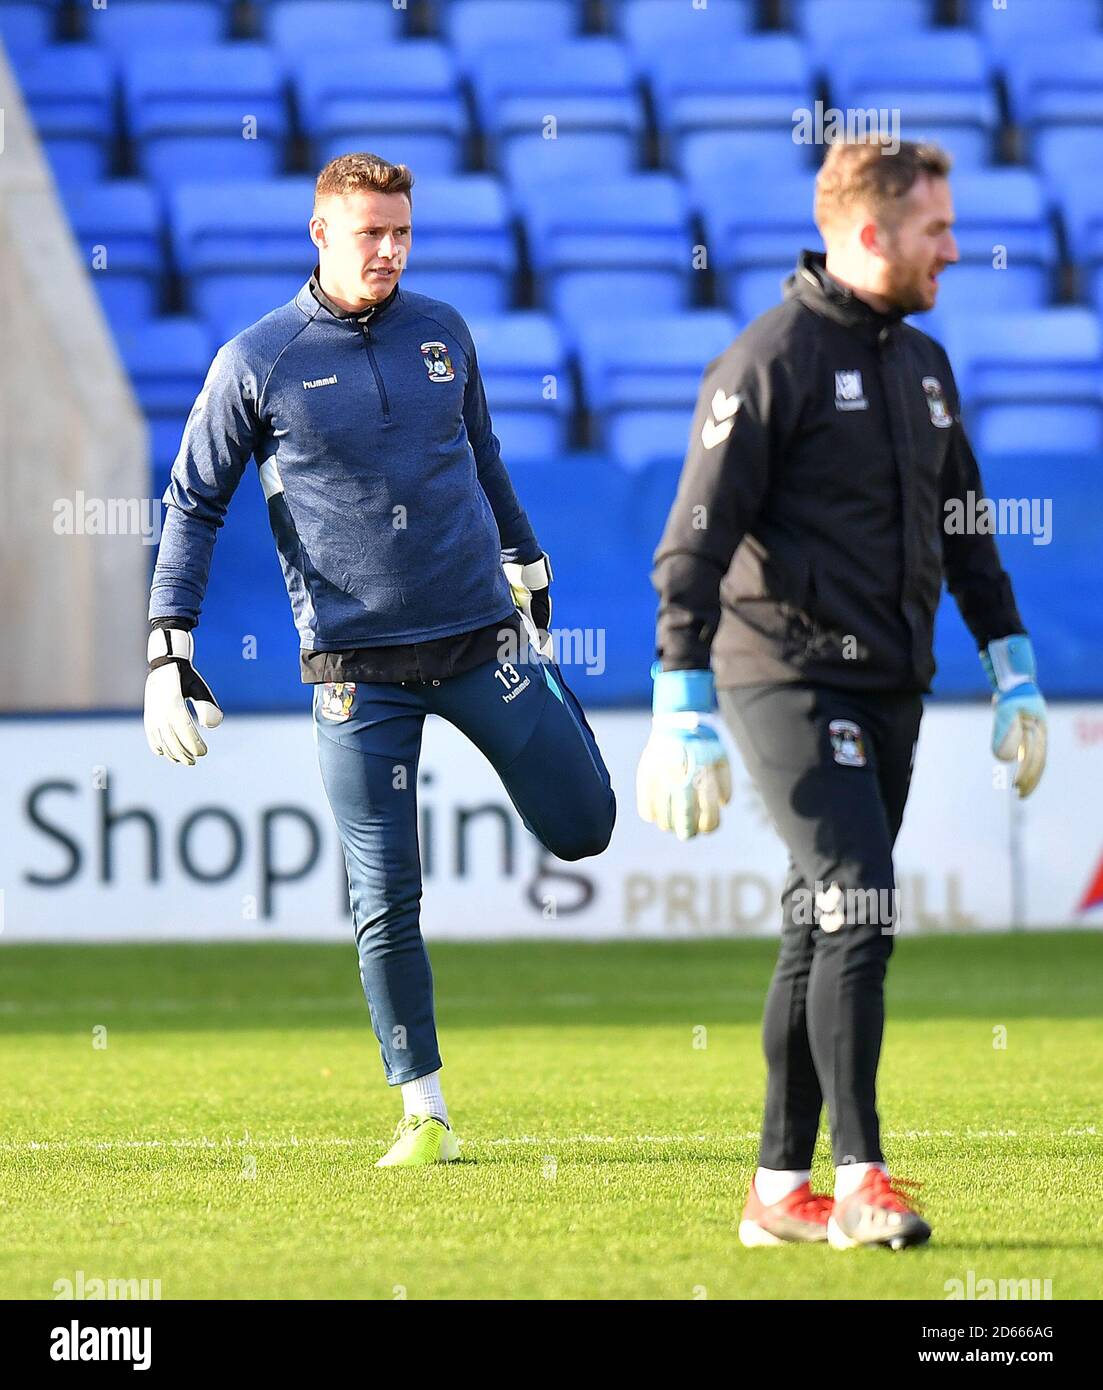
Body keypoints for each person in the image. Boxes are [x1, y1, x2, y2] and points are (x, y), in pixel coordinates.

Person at [144, 152, 616, 1167]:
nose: (391, 251)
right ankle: (424, 1111)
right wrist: (165, 650)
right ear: (320, 234)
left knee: (586, 829)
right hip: (355, 671)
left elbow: (481, 458)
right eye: (371, 233)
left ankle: (554, 699)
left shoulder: (443, 332)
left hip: (480, 639)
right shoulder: (256, 359)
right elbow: (193, 502)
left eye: (402, 231)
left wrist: (525, 560)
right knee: (382, 897)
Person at [637, 138, 1047, 1249]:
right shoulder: (767, 361)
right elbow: (691, 544)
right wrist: (681, 696)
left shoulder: (922, 365)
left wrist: (1008, 666)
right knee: (859, 899)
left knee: (816, 923)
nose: (953, 249)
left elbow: (967, 535)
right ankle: (861, 1178)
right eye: (935, 230)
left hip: (890, 684)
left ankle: (776, 1193)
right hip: (782, 670)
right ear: (870, 233)